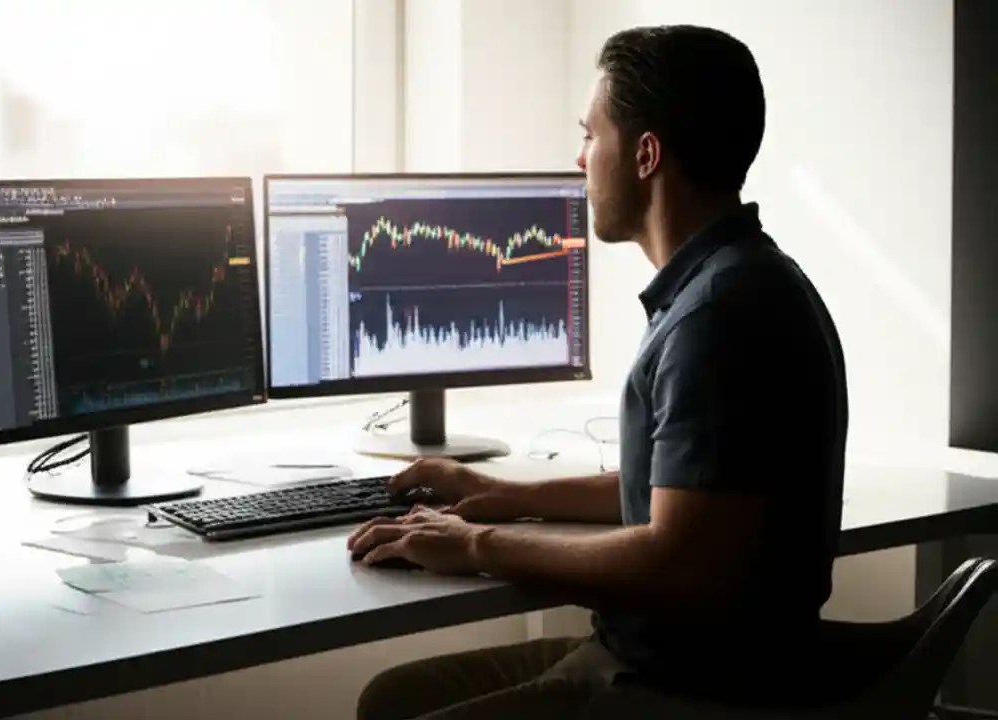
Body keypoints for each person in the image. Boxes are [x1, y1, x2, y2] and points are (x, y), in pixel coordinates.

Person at [349, 24, 849, 720]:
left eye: (590, 134)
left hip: (689, 689)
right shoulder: (743, 281)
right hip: (697, 662)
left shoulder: (717, 316)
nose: (578, 156)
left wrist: (478, 545)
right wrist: (500, 492)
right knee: (392, 697)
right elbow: (682, 497)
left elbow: (676, 560)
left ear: (645, 155)